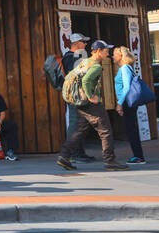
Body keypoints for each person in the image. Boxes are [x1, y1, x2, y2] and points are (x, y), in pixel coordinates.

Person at [58, 40, 126, 171]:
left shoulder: (85, 62)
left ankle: (64, 156)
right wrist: (91, 96)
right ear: (99, 51)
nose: (108, 53)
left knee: (79, 130)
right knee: (105, 131)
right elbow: (86, 80)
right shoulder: (96, 66)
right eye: (106, 51)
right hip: (90, 103)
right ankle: (110, 161)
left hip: (80, 103)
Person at [61, 34, 97, 161]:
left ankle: (79, 152)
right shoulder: (71, 58)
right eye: (83, 42)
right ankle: (73, 153)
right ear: (76, 43)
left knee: (80, 123)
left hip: (77, 94)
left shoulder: (71, 57)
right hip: (74, 95)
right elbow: (78, 76)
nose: (85, 44)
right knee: (75, 123)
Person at [112, 46, 144, 164]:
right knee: (131, 129)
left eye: (114, 54)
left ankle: (138, 156)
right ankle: (138, 155)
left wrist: (119, 103)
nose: (112, 56)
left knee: (131, 129)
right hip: (126, 102)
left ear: (120, 56)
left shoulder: (125, 68)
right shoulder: (125, 68)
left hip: (127, 101)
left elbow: (126, 87)